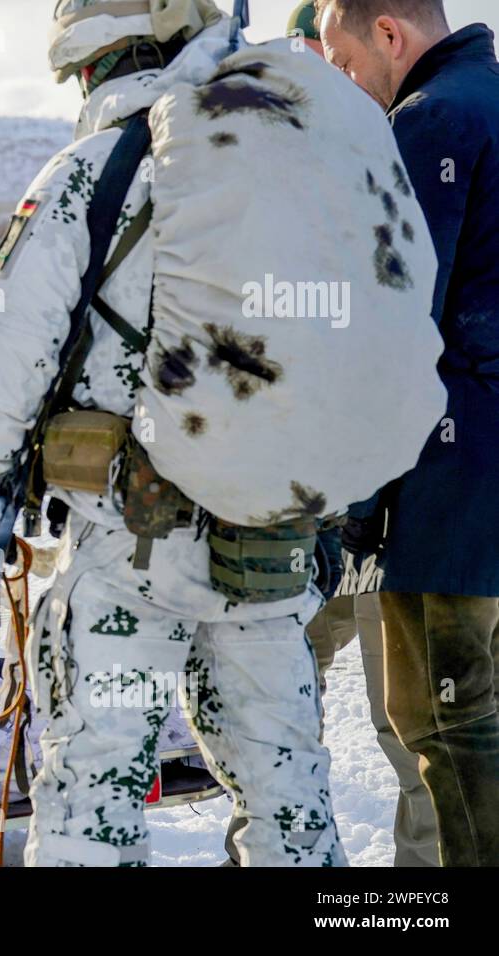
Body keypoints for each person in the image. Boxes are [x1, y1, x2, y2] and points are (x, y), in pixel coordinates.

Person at [0, 0, 351, 866]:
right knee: (291, 804)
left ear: (104, 60)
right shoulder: (299, 167)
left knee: (95, 800)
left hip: (130, 556)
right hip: (268, 555)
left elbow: (5, 364)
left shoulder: (88, 173)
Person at [222, 0, 439, 869]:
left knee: (415, 729)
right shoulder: (254, 182)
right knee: (262, 706)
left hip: (390, 508)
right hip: (288, 519)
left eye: (332, 67)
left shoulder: (402, 162)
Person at [318, 0, 499, 867]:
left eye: (344, 64)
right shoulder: (490, 96)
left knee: (444, 717)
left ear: (389, 34)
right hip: (480, 469)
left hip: (445, 478)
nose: (346, 88)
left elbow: (395, 332)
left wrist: (351, 507)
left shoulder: (430, 122)